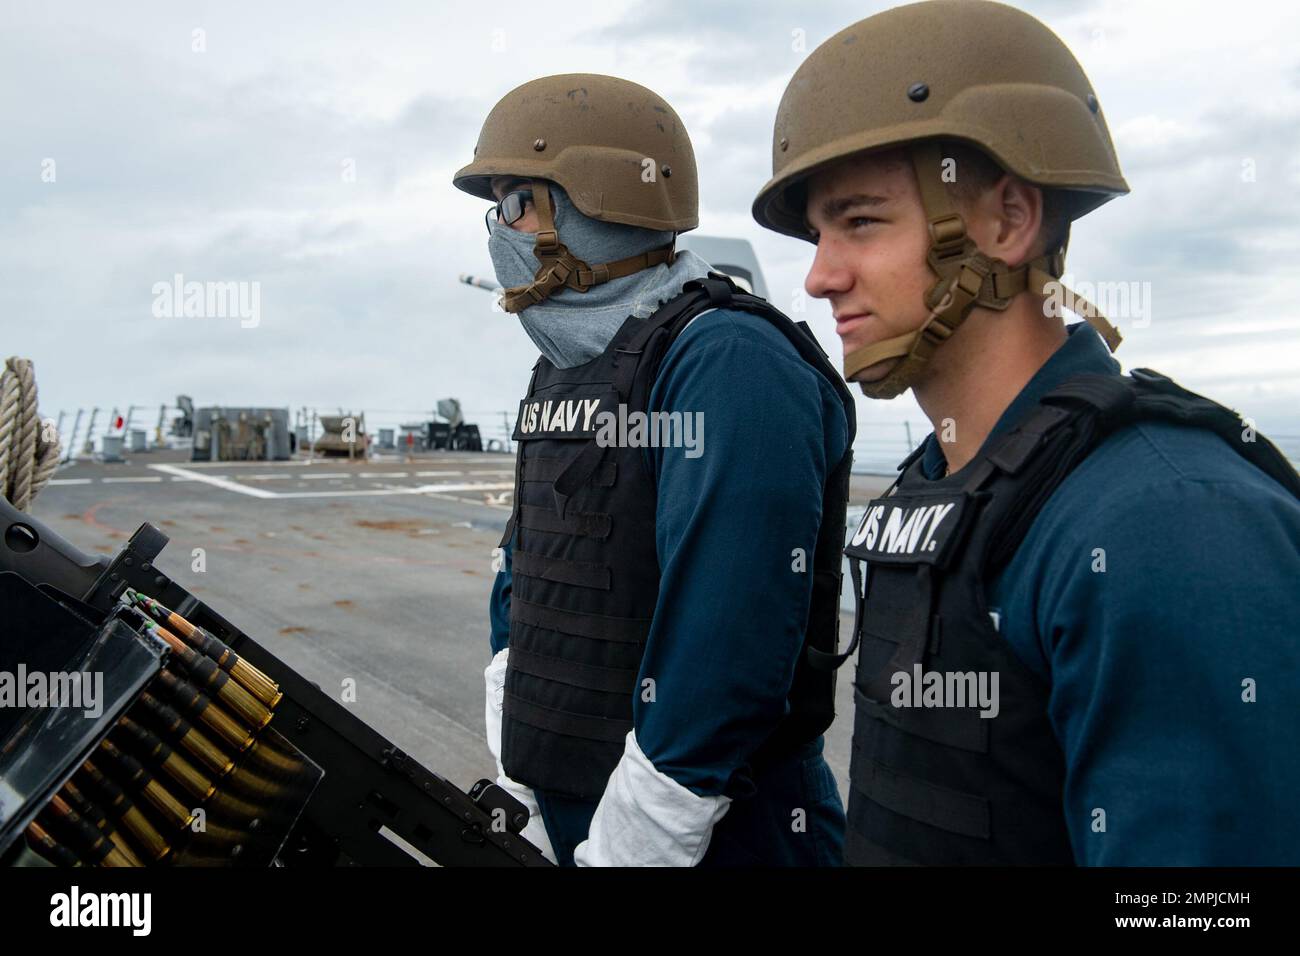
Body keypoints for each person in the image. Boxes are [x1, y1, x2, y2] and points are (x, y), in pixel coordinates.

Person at [751, 0, 1300, 865]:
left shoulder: (1165, 518)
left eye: (860, 221)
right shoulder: (944, 484)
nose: (819, 277)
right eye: (819, 234)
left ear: (1007, 222)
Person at [453, 73, 856, 866]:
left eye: (515, 203)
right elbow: (529, 569)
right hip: (575, 798)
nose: (498, 232)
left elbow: (726, 641)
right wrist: (523, 768)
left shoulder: (727, 358)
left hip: (713, 831)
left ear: (594, 203)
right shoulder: (569, 366)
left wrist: (633, 846)